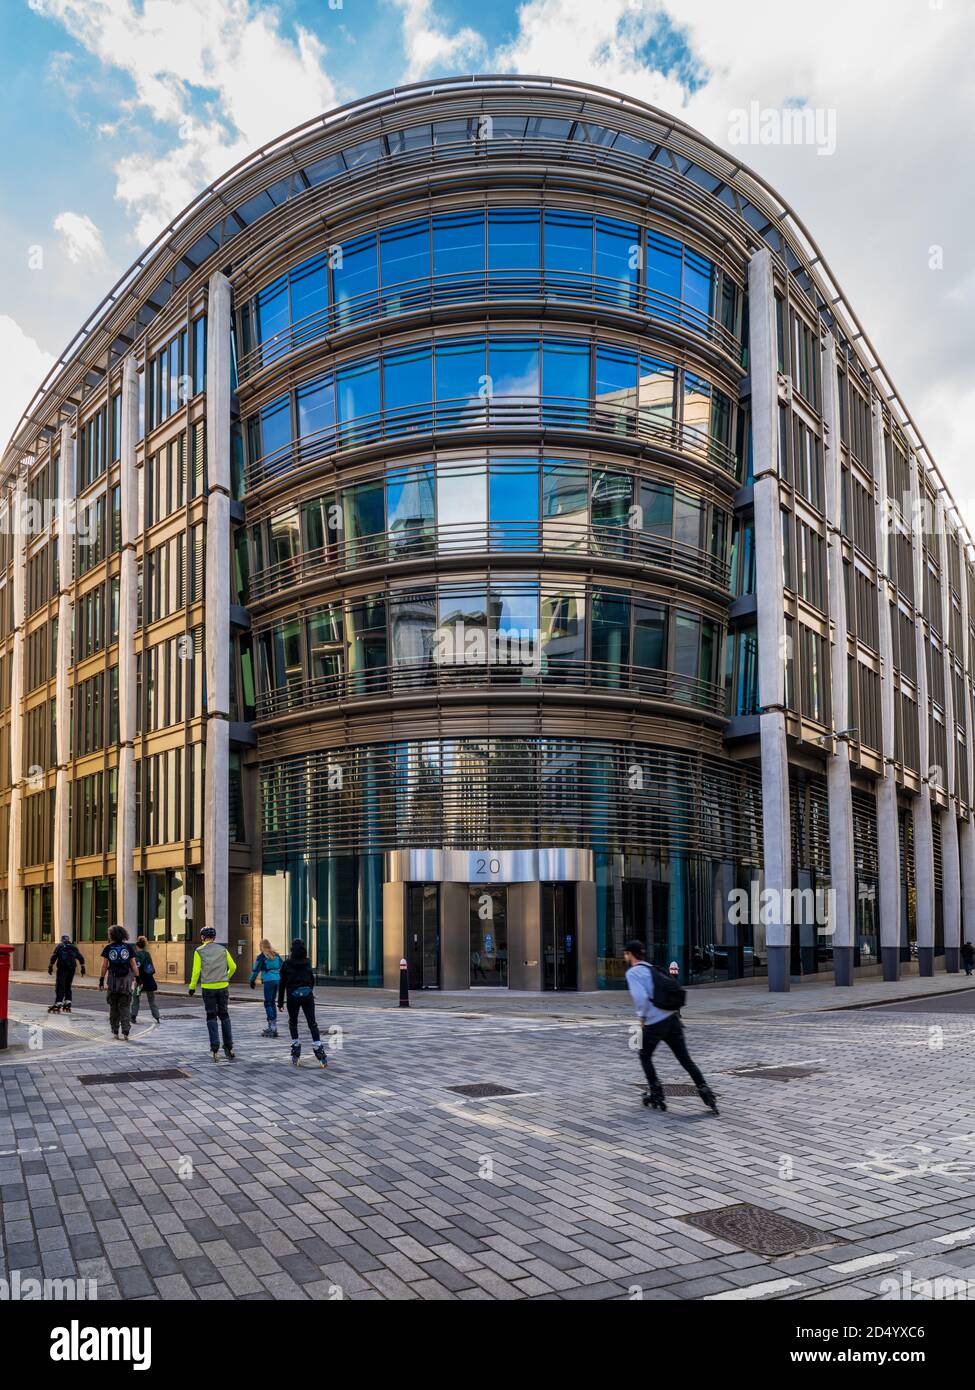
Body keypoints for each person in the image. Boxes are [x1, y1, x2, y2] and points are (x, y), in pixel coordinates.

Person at [623, 940, 718, 1114]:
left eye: (626, 953)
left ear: (630, 954)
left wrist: (642, 1018)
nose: (625, 956)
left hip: (655, 1022)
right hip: (673, 1019)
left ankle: (656, 1092)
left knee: (644, 1055)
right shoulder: (652, 968)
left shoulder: (633, 973)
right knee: (686, 1060)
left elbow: (641, 998)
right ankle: (706, 1091)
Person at [188, 925, 236, 1061]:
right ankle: (229, 1047)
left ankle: (215, 1048)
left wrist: (192, 987)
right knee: (224, 1015)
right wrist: (226, 977)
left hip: (208, 988)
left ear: (202, 937)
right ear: (214, 937)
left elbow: (196, 971)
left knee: (211, 1017)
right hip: (223, 987)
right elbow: (233, 967)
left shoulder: (199, 951)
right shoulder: (223, 949)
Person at [277, 939, 327, 1068]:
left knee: (293, 1022)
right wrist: (309, 990)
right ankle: (318, 1047)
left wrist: (280, 1002)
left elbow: (282, 984)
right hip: (307, 996)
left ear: (292, 949)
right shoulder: (307, 962)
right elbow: (311, 979)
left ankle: (296, 1046)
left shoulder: (286, 964)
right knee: (312, 1023)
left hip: (292, 996)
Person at [98, 925, 139, 1039]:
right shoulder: (129, 948)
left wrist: (101, 980)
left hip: (113, 982)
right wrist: (138, 978)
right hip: (126, 983)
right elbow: (134, 965)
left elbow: (104, 966)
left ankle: (115, 1030)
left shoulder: (108, 948)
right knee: (125, 1007)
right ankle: (126, 1031)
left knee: (113, 1007)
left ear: (112, 936)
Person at [249, 941, 283, 1037]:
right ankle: (274, 1026)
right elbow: (283, 966)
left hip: (268, 980)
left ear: (262, 947)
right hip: (277, 980)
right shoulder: (276, 955)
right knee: (272, 1002)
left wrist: (252, 980)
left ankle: (271, 1027)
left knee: (268, 1003)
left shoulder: (261, 957)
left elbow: (256, 970)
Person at [48, 936, 85, 1013]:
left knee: (60, 985)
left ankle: (58, 1002)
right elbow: (80, 957)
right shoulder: (73, 947)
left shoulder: (60, 946)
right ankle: (68, 1002)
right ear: (69, 940)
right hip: (72, 968)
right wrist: (82, 967)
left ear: (62, 940)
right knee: (68, 985)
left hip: (62, 968)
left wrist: (50, 966)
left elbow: (54, 957)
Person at [131, 936, 161, 1024]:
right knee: (151, 1000)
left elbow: (136, 968)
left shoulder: (135, 955)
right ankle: (157, 1016)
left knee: (136, 998)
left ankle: (133, 1016)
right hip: (149, 981)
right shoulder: (147, 954)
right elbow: (151, 968)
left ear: (137, 946)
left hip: (139, 982)